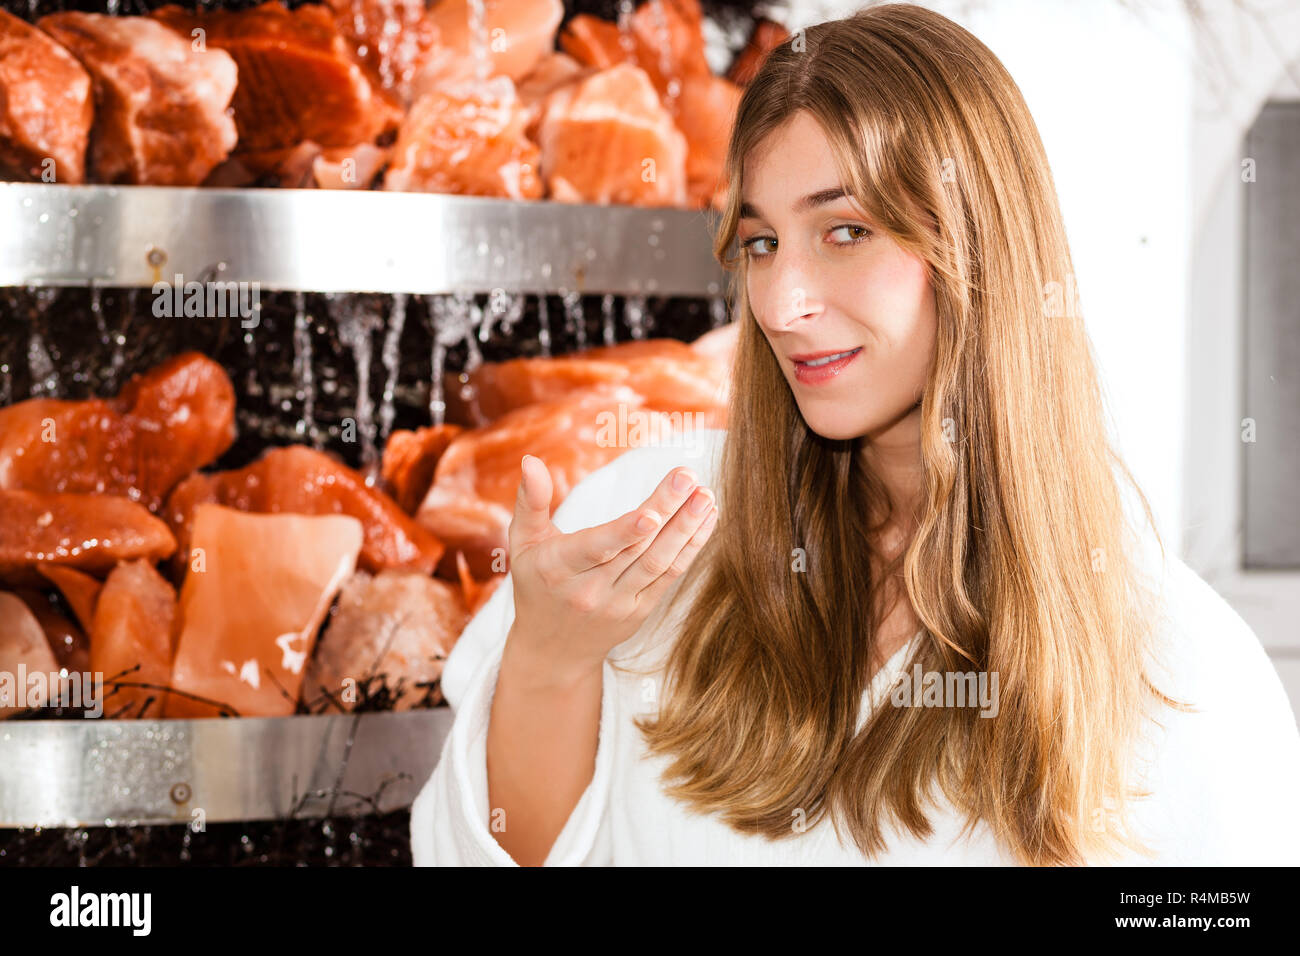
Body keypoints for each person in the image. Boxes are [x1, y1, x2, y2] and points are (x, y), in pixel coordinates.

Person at [409, 2, 1300, 866]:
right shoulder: (647, 527)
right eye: (761, 243)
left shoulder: (1182, 670)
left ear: (978, 250)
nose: (784, 304)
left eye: (845, 232)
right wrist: (548, 664)